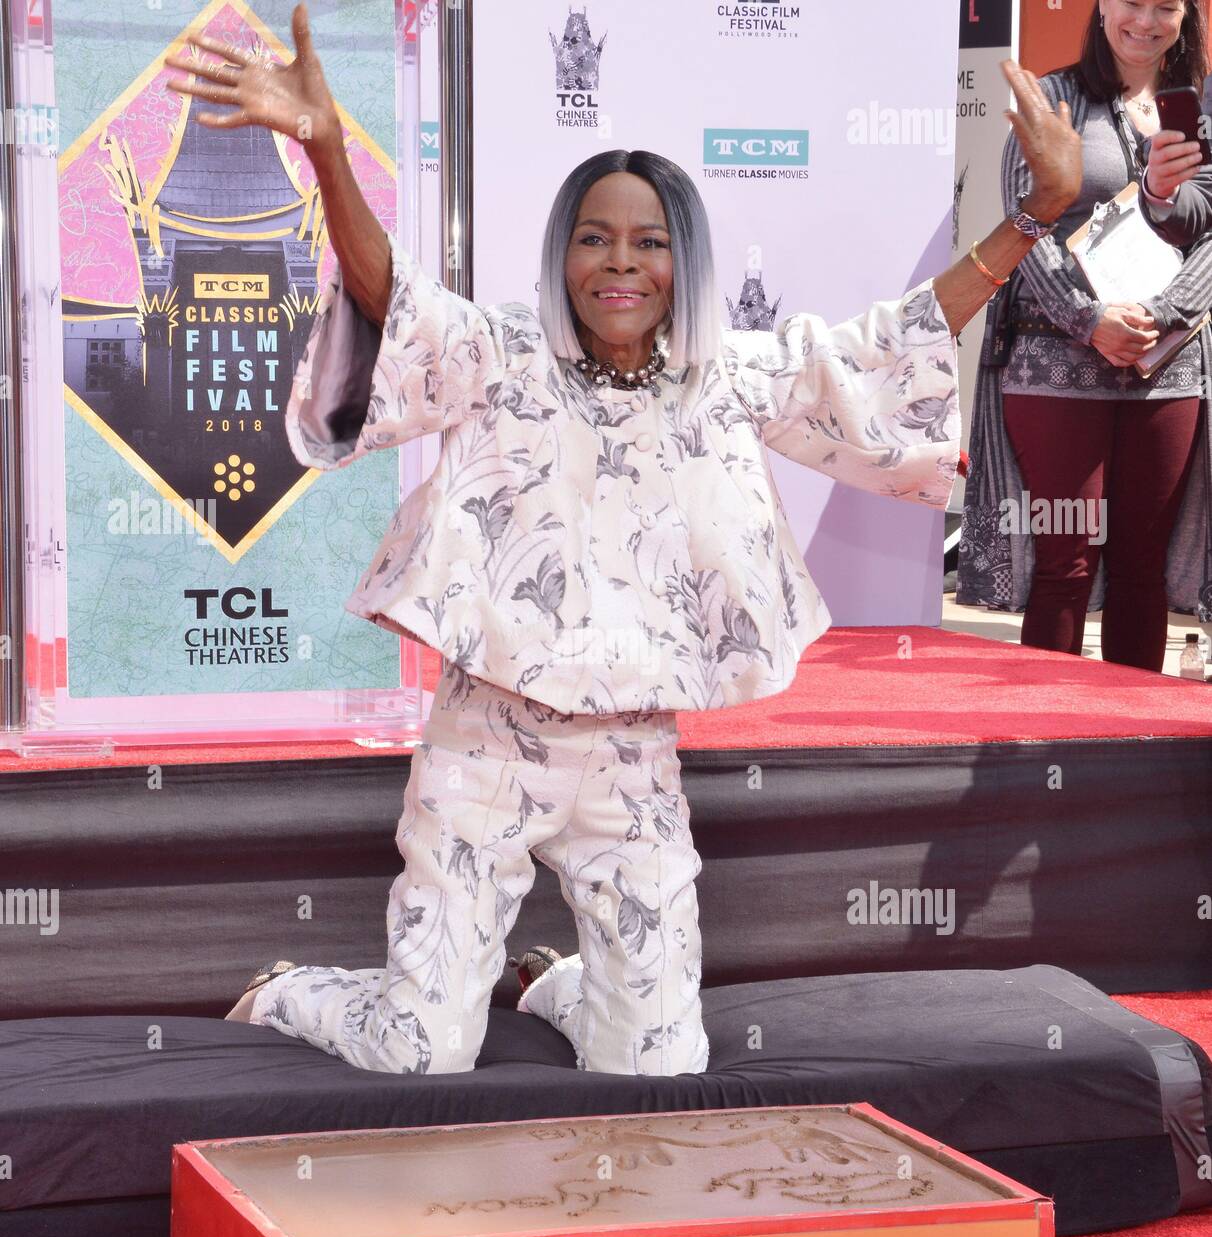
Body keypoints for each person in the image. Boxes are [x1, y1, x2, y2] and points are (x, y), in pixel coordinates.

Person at [163, 4, 1081, 1076]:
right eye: (595, 237)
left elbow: (889, 343)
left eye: (648, 241)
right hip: (485, 741)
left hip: (633, 757)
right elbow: (388, 294)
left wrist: (1035, 214)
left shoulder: (728, 376)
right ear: (564, 251)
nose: (620, 264)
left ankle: (551, 980)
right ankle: (295, 991)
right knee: (421, 1053)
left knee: (656, 1065)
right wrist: (324, 147)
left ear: (682, 257)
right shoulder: (503, 351)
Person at [957, 0, 1212, 667]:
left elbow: (1210, 232)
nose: (1147, 21)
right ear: (1102, 9)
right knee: (1063, 564)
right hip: (1055, 365)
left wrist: (1167, 313)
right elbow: (1025, 224)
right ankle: (1051, 743)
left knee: (1142, 566)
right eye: (1133, 2)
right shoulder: (1053, 99)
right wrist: (1087, 319)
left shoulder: (1199, 110)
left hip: (1167, 368)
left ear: (1186, 17)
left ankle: (1132, 746)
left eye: (1166, 7)